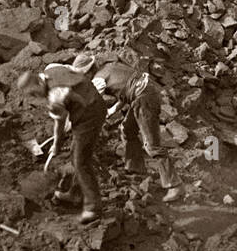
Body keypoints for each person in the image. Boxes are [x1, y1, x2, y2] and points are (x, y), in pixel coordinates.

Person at [73, 53, 181, 203]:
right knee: (127, 129)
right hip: (143, 94)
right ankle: (135, 168)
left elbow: (92, 103)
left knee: (152, 145)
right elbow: (127, 89)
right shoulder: (111, 67)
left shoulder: (98, 79)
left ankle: (174, 185)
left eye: (84, 75)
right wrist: (112, 110)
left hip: (144, 99)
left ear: (89, 71)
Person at [18, 63, 107, 223]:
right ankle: (75, 194)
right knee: (76, 156)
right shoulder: (52, 68)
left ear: (38, 83)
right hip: (94, 102)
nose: (35, 97)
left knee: (80, 162)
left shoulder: (54, 97)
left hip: (89, 116)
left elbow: (59, 126)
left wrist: (56, 146)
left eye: (33, 93)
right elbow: (78, 73)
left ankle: (93, 208)